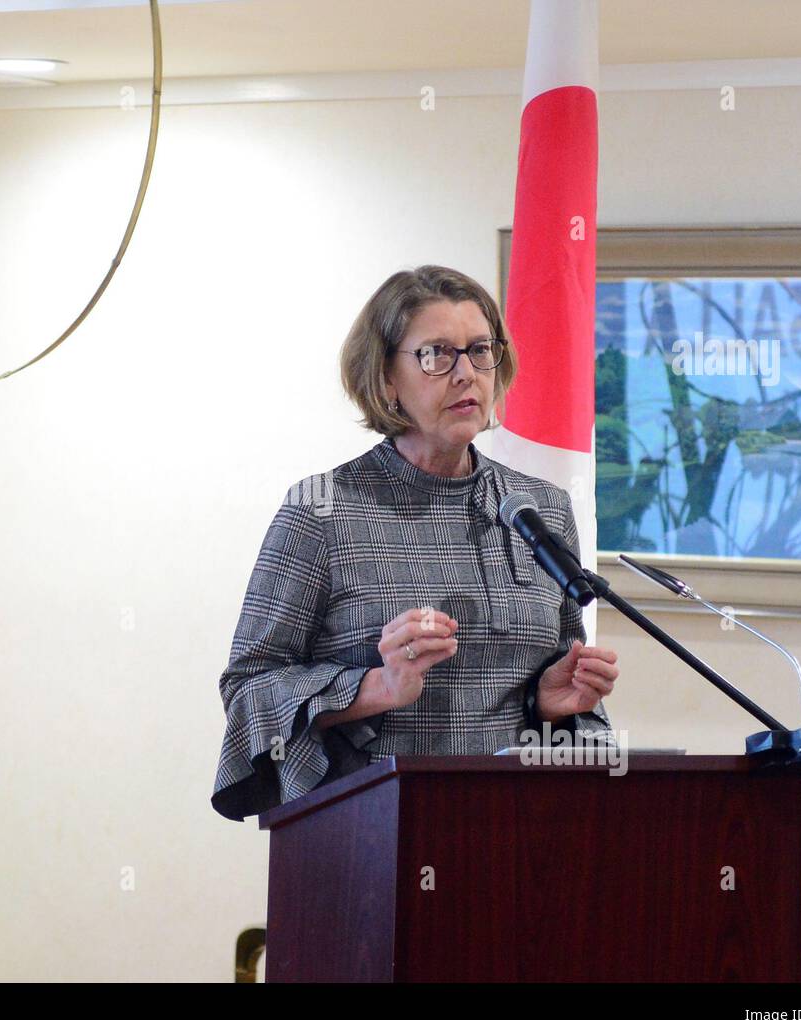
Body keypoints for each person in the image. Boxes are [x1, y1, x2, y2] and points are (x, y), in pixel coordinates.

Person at [211, 264, 619, 821]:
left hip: (520, 833)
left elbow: (554, 687)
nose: (465, 374)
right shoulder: (323, 508)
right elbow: (248, 690)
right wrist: (377, 686)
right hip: (372, 836)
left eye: (480, 350)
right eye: (435, 354)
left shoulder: (539, 508)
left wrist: (548, 703)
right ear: (385, 379)